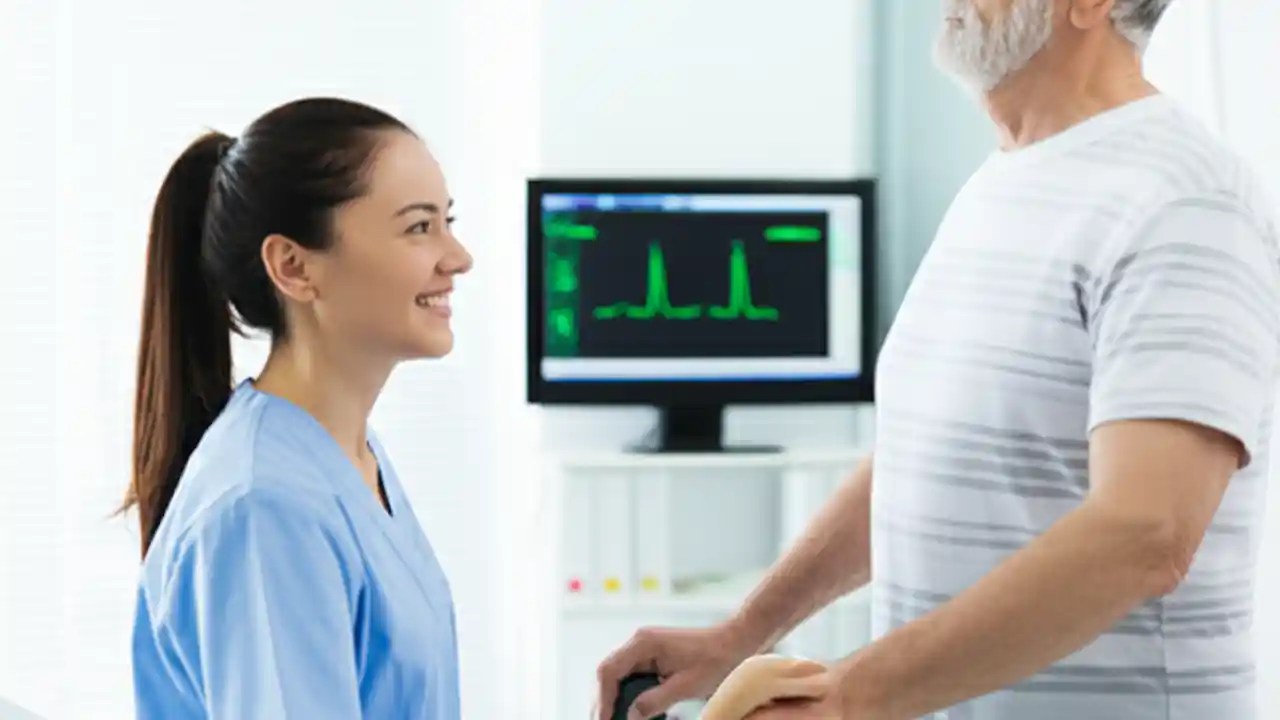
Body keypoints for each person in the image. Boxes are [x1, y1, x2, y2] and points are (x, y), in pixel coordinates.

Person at [597, 0, 1279, 718]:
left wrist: (847, 697)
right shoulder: (1007, 180)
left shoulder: (1186, 201)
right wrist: (742, 633)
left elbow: (1144, 534)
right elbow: (921, 457)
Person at [125, 97, 473, 719]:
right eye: (419, 227)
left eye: (447, 221)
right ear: (294, 266)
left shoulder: (349, 457)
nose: (458, 257)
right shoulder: (267, 504)